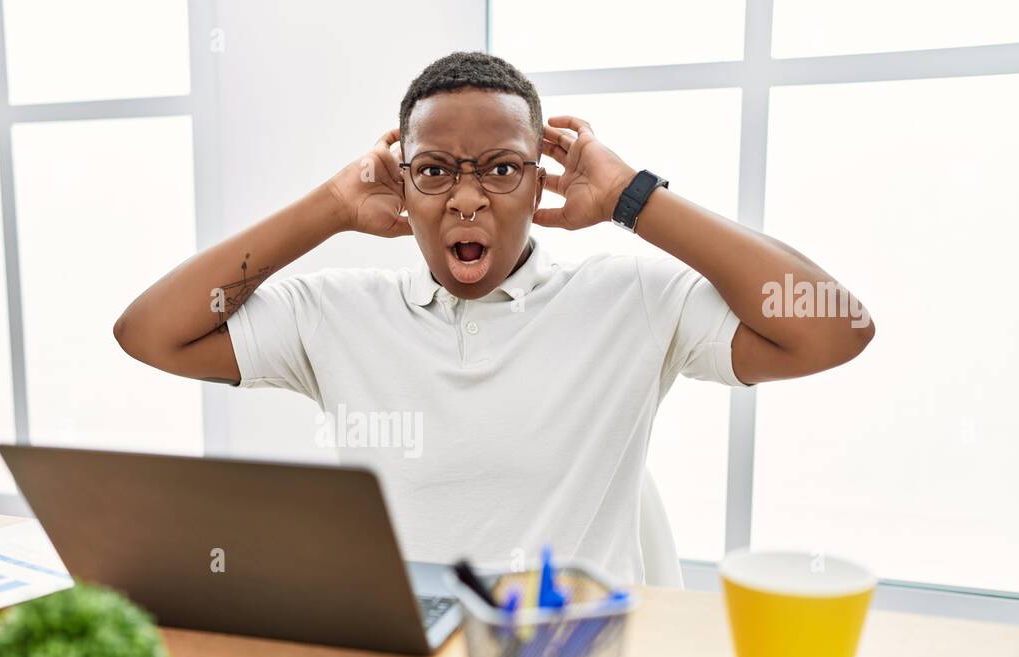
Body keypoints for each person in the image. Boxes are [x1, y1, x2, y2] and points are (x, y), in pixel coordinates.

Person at [114, 51, 874, 584]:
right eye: (435, 171)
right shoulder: (336, 314)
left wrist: (630, 198)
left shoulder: (631, 303)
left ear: (540, 177)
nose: (468, 198)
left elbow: (833, 327)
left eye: (502, 168)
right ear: (402, 184)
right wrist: (332, 208)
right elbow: (151, 331)